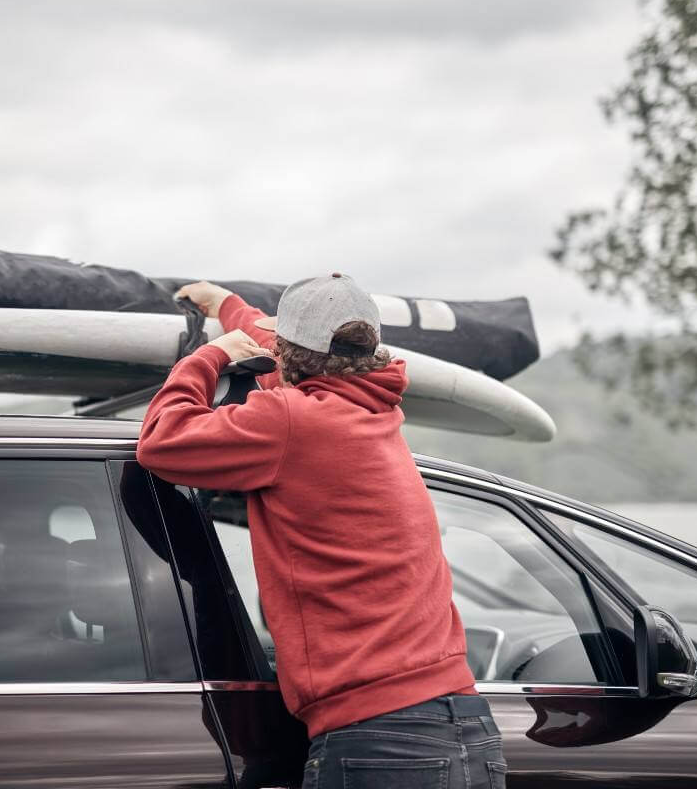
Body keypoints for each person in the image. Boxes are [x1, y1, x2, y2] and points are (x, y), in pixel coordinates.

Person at [136, 274, 507, 789]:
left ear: (290, 354)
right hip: (469, 730)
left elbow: (161, 441)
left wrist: (210, 357)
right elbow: (276, 345)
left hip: (380, 740)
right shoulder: (374, 406)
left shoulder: (290, 422)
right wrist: (226, 306)